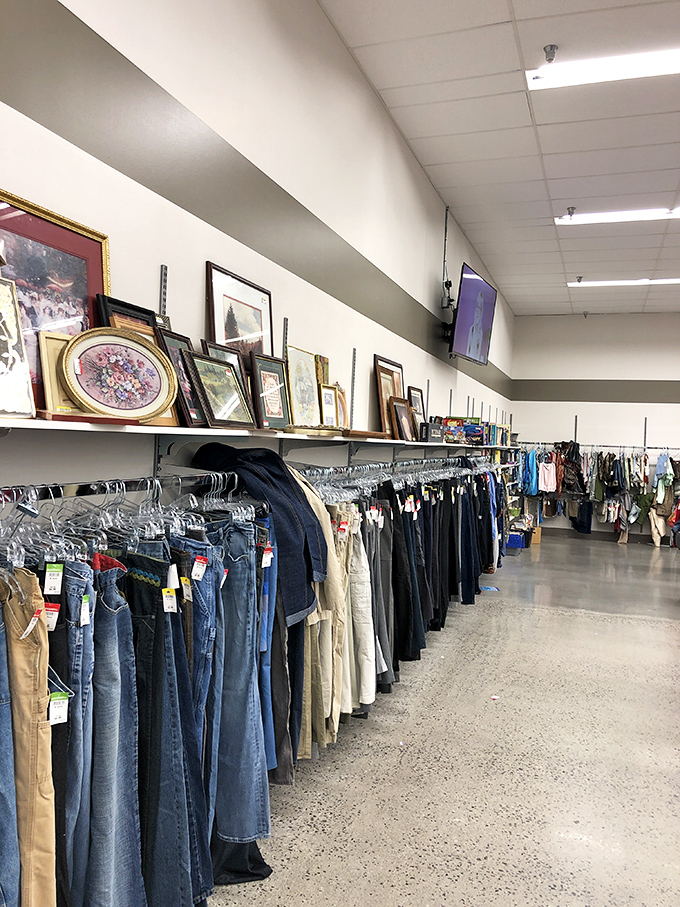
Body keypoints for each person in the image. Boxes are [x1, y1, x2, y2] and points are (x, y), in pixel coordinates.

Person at [466, 291, 485, 360]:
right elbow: (468, 347)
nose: (477, 314)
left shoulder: (480, 332)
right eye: (476, 311)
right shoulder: (472, 328)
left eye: (479, 312)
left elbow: (478, 350)